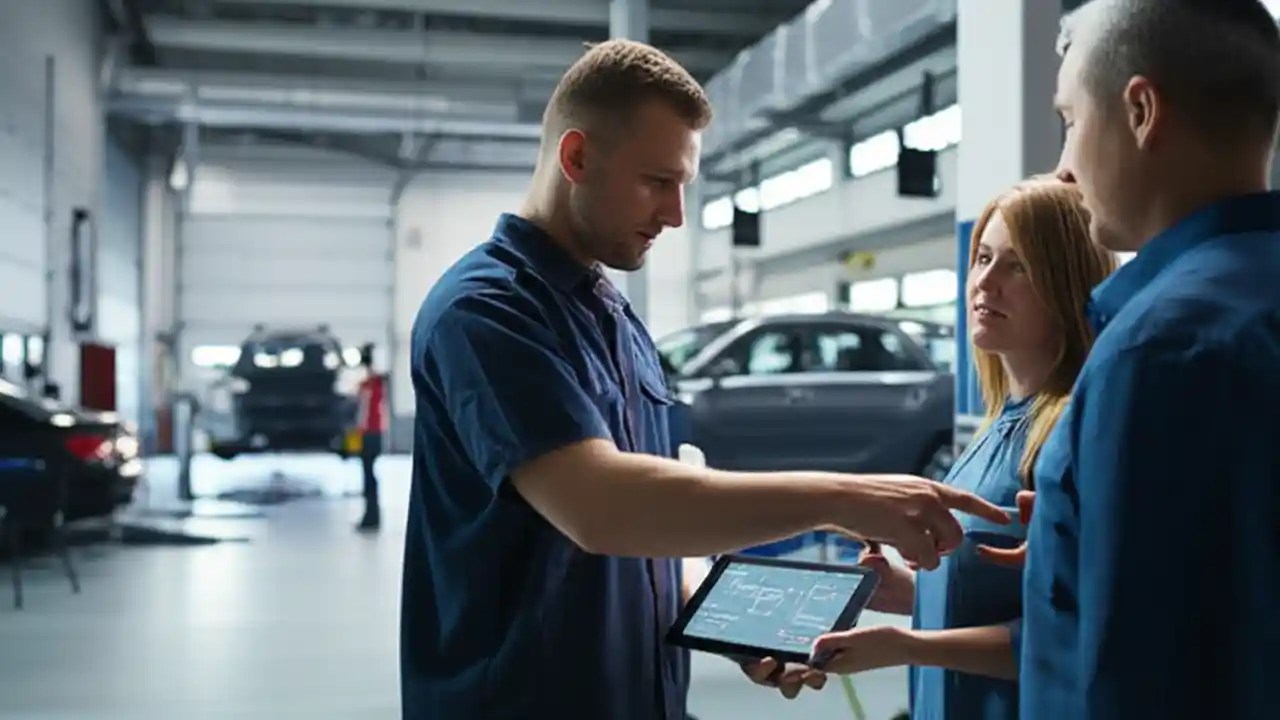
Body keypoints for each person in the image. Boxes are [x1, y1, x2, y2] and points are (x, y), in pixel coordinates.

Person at [399, 39, 1010, 720]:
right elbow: (600, 507)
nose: (676, 213)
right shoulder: (486, 312)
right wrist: (841, 498)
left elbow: (655, 537)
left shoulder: (614, 318)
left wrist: (739, 624)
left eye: (683, 185)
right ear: (576, 158)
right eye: (658, 182)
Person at [1009, 1, 1280, 717]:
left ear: (1140, 110)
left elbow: (1138, 678)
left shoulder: (1159, 348)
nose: (1063, 169)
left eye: (1070, 122)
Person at [808, 178, 1117, 719]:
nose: (985, 283)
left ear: (1065, 283)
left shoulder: (1075, 432)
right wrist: (907, 593)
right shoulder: (999, 425)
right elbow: (999, 596)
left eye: (1017, 266)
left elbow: (1074, 632)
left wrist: (908, 647)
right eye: (983, 258)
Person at [354, 343, 386, 531]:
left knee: (368, 475)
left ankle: (371, 516)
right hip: (371, 432)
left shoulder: (372, 385)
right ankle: (370, 515)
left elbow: (363, 414)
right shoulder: (371, 384)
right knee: (368, 474)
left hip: (370, 433)